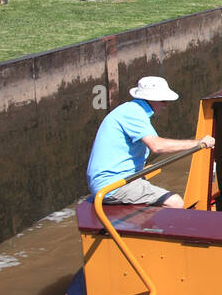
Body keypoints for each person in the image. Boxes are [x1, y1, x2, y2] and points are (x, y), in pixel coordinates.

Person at [86, 76, 214, 208]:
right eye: (163, 100)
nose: (166, 104)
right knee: (175, 203)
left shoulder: (131, 110)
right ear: (151, 99)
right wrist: (198, 143)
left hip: (118, 180)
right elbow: (157, 146)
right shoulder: (133, 113)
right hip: (112, 186)